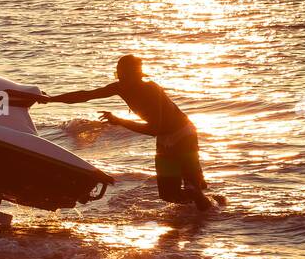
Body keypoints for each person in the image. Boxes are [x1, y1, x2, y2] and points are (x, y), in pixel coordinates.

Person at [38, 55, 212, 210]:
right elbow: (86, 95)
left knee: (193, 188)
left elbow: (154, 129)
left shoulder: (152, 90)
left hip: (184, 135)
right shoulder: (120, 88)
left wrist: (120, 121)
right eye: (119, 75)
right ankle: (207, 207)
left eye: (125, 75)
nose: (121, 79)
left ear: (137, 75)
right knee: (168, 195)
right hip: (164, 139)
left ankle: (205, 213)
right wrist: (52, 99)